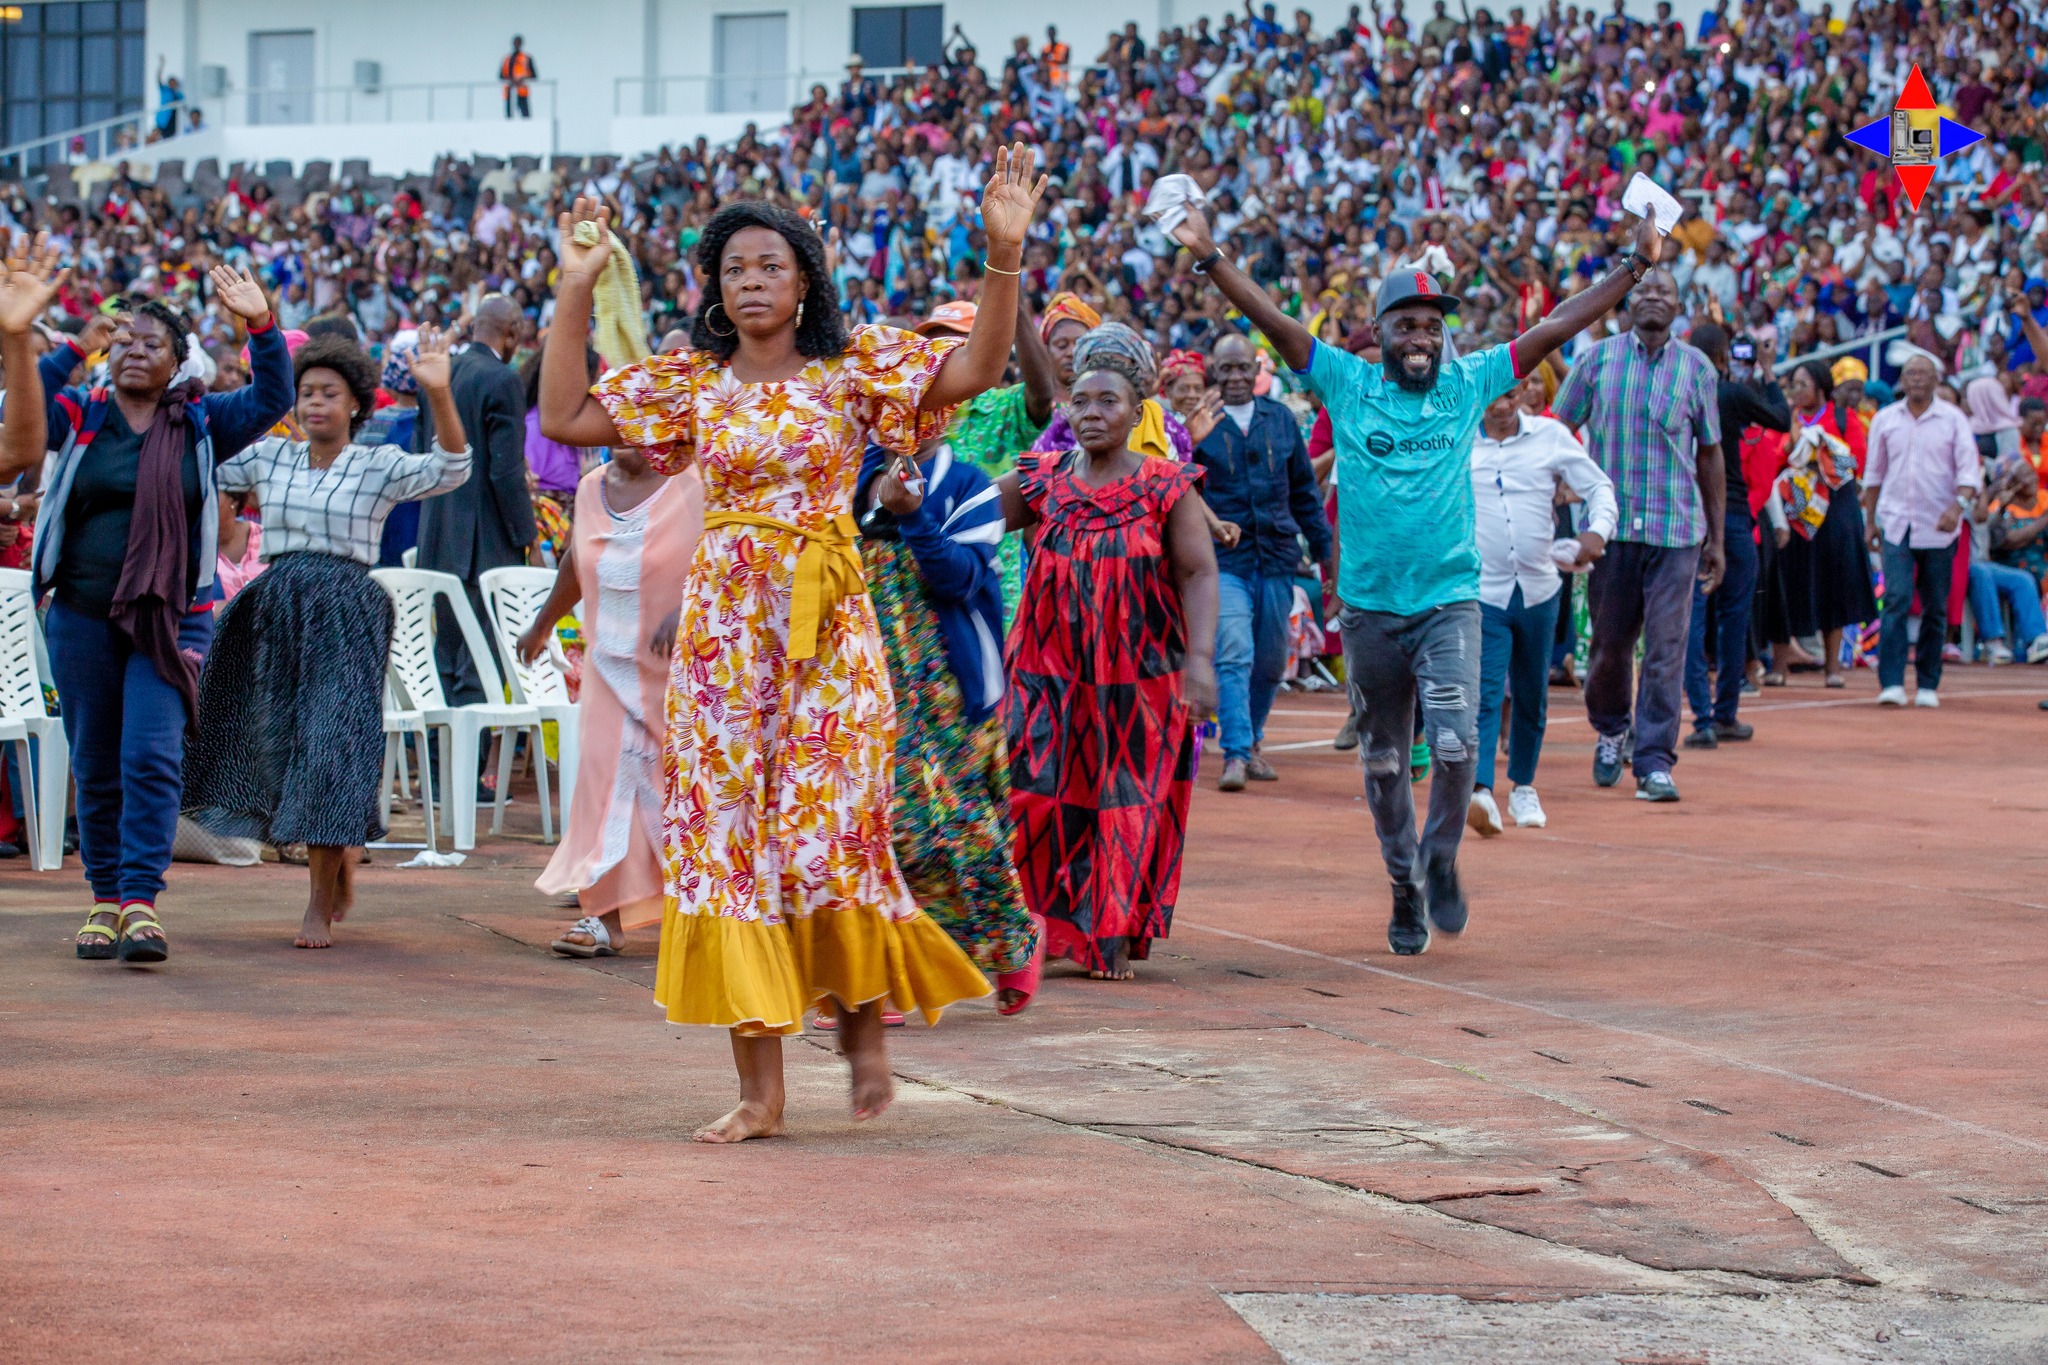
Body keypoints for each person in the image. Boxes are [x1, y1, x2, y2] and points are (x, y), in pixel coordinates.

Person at [536, 152, 1042, 1143]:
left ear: (803, 278)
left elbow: (978, 370)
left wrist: (1002, 252)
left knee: (825, 833)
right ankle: (759, 1093)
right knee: (725, 847)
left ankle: (860, 1028)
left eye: (769, 264)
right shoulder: (690, 384)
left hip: (828, 633)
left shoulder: (854, 370)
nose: (752, 280)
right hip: (723, 638)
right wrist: (576, 283)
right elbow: (563, 416)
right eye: (733, 269)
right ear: (716, 292)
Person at [1167, 201, 1663, 954]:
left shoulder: (1469, 383)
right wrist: (1210, 257)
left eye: (1433, 325)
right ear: (1381, 333)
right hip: (1368, 611)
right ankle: (1403, 881)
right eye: (1408, 325)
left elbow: (1559, 324)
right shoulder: (1344, 379)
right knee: (1385, 760)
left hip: (1449, 603)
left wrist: (1635, 265)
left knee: (1460, 746)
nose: (1423, 337)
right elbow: (1271, 319)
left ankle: (1441, 857)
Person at [0, 236, 291, 964]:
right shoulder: (80, 412)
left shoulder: (200, 421)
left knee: (150, 756)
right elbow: (21, 429)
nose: (134, 348)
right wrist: (45, 347)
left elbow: (273, 397)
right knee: (96, 760)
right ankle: (103, 898)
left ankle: (140, 900)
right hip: (80, 617)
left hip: (172, 618)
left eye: (152, 341)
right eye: (123, 338)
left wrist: (261, 325)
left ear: (177, 363)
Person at [183, 330, 471, 948]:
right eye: (307, 393)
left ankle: (317, 902)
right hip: (276, 602)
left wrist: (439, 392)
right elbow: (199, 454)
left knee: (330, 743)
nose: (316, 404)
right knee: (282, 743)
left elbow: (452, 468)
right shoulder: (268, 457)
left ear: (356, 406)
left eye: (330, 394)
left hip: (348, 606)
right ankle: (336, 855)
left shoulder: (378, 463)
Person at [996, 361, 1219, 980]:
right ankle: (1027, 924)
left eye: (1108, 402)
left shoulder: (1167, 485)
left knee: (1125, 800)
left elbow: (1198, 572)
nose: (1091, 412)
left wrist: (1200, 661)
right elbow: (963, 514)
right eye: (1081, 402)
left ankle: (1111, 928)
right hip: (1046, 671)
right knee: (1034, 791)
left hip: (1141, 674)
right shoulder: (1040, 481)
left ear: (1137, 411)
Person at [855, 426, 1043, 1012]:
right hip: (864, 675)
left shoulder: (969, 486)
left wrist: (912, 516)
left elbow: (961, 579)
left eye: (923, 404)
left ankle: (1013, 940)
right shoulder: (843, 475)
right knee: (872, 824)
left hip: (944, 684)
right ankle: (890, 970)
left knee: (949, 826)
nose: (905, 419)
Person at [516, 443, 706, 959]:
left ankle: (702, 915)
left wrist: (691, 606)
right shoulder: (590, 488)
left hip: (680, 666)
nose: (628, 429)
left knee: (683, 789)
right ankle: (602, 920)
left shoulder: (696, 481)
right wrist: (542, 625)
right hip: (607, 662)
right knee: (602, 785)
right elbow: (577, 563)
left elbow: (728, 554)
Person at [1553, 267, 1724, 804]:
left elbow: (1711, 454)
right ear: (1627, 302)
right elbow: (1558, 432)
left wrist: (1716, 538)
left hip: (1677, 530)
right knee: (1608, 648)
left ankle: (1654, 761)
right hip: (1612, 530)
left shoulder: (1697, 369)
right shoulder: (1596, 360)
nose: (1652, 298)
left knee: (1666, 650)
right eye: (1643, 290)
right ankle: (1610, 728)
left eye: (1664, 292)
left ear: (1679, 307)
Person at [1466, 389, 1616, 835]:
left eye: (1511, 392)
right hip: (1482, 590)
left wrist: (1597, 533)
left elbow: (1599, 487)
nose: (1503, 403)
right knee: (1486, 690)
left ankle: (1524, 786)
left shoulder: (1550, 436)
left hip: (1540, 586)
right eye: (1493, 393)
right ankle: (1480, 791)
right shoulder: (1457, 439)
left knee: (1533, 692)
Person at [1192, 331, 1330, 791]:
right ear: (1213, 371)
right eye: (1225, 368)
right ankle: (1235, 753)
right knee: (1234, 653)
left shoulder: (1281, 420)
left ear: (1257, 371)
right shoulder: (1198, 425)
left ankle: (1252, 742)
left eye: (1242, 368)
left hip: (1276, 559)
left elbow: (1305, 496)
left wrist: (1327, 557)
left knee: (1271, 662)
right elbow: (1178, 486)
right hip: (1223, 560)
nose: (1234, 377)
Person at [416, 295, 535, 720]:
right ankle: (472, 785)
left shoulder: (439, 373)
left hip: (435, 541)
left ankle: (439, 770)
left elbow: (422, 456)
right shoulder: (503, 380)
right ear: (513, 333)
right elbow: (506, 473)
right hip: (483, 546)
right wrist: (528, 537)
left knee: (443, 660)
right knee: (477, 663)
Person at [916, 295, 1059, 616]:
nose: (942, 353)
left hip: (991, 588)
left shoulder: (1000, 408)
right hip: (917, 592)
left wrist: (1017, 310)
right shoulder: (911, 414)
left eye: (956, 342)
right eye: (934, 342)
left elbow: (1041, 395)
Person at [1682, 322, 1786, 748]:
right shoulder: (1730, 393)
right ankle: (1724, 713)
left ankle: (1702, 719)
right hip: (1734, 513)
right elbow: (1780, 418)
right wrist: (1767, 370)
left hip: (1687, 513)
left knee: (1690, 618)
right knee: (1733, 616)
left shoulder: (1678, 390)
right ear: (1724, 358)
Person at [1864, 354, 1980, 709]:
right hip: (1897, 522)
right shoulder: (1885, 419)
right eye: (1910, 373)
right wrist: (1870, 522)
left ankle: (1928, 682)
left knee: (1936, 606)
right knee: (1896, 598)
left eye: (1923, 374)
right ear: (1902, 379)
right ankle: (1892, 682)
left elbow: (1969, 473)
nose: (1916, 379)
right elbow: (1873, 474)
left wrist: (1957, 508)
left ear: (1935, 380)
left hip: (1940, 527)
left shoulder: (1953, 420)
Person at [1756, 360, 1879, 691]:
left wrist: (1818, 446)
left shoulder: (1843, 418)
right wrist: (1793, 443)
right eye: (1793, 385)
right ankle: (1779, 664)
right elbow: (1769, 458)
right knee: (1786, 583)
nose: (1796, 391)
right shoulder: (1784, 418)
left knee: (1833, 586)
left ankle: (1832, 667)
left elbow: (1855, 462)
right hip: (1792, 511)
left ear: (1821, 387)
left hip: (1836, 511)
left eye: (1803, 384)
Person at [1968, 460, 2048, 664]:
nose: (2031, 480)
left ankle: (2037, 640)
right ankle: (1993, 641)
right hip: (1975, 563)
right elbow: (2000, 540)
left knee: (2023, 579)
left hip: (2004, 567)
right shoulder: (1995, 504)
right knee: (1981, 571)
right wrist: (2002, 504)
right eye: (2024, 476)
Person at [500, 37, 537, 119]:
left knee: (525, 116)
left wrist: (523, 79)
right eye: (515, 42)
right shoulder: (507, 59)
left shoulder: (527, 58)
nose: (517, 44)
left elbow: (534, 75)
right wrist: (510, 80)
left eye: (518, 42)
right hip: (509, 90)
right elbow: (501, 75)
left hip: (522, 91)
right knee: (509, 117)